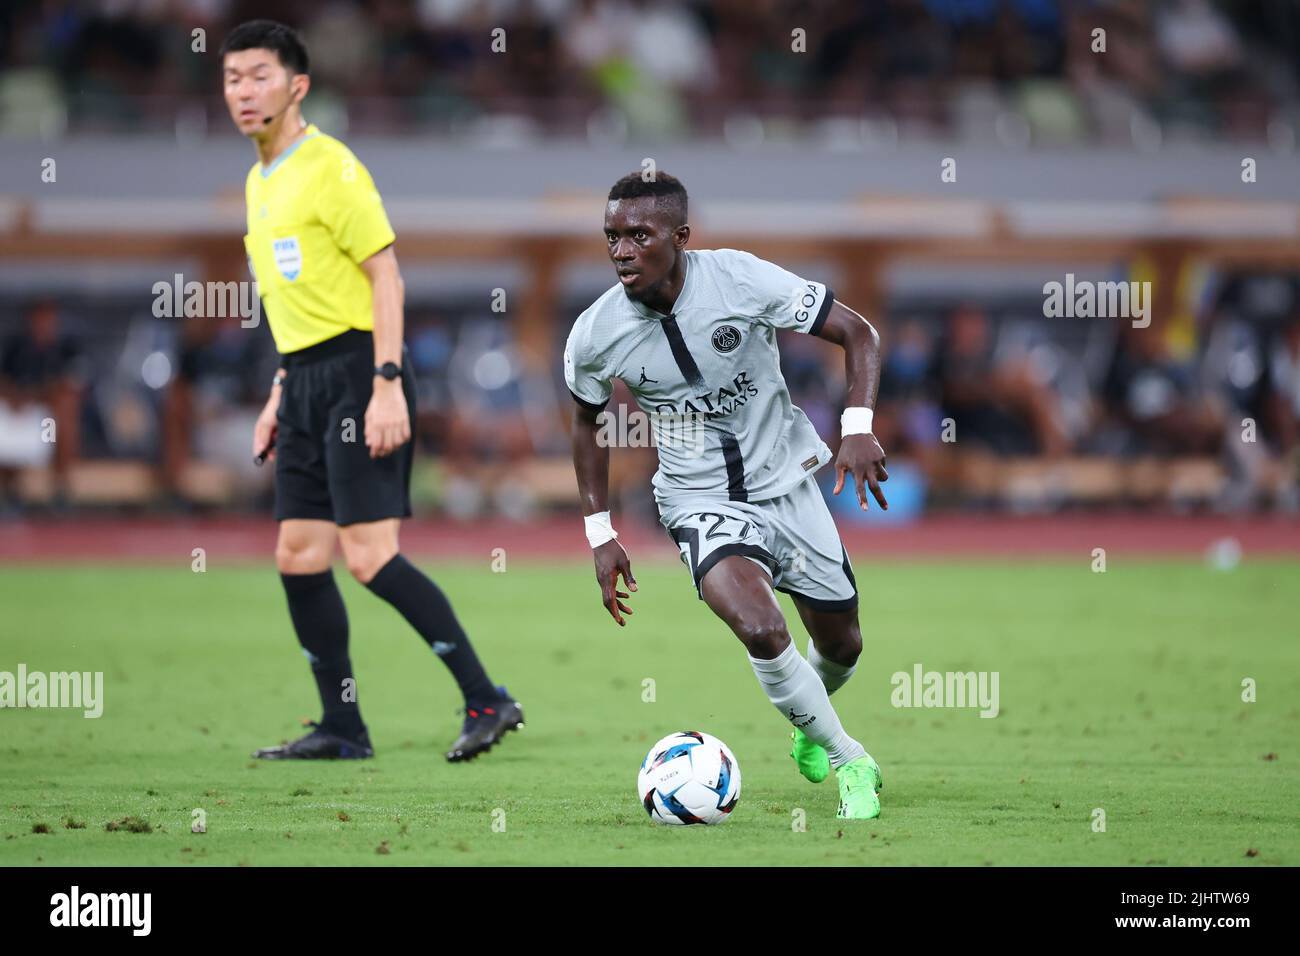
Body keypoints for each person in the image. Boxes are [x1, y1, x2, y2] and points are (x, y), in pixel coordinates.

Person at [220, 20, 521, 761]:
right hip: (305, 376)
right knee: (298, 552)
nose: (244, 91)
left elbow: (384, 276)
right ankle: (343, 727)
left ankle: (488, 698)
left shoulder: (330, 165)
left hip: (362, 370)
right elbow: (298, 304)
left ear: (298, 86)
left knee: (368, 555)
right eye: (231, 78)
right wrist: (279, 391)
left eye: (259, 75)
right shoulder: (258, 183)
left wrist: (386, 384)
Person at [565, 172, 888, 819]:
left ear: (681, 237)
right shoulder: (596, 332)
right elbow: (586, 421)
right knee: (762, 628)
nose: (622, 251)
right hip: (696, 498)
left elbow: (859, 333)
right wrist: (600, 533)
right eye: (612, 237)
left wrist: (857, 428)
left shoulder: (741, 280)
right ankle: (853, 760)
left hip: (788, 483)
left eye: (639, 235)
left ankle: (811, 722)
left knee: (844, 643)